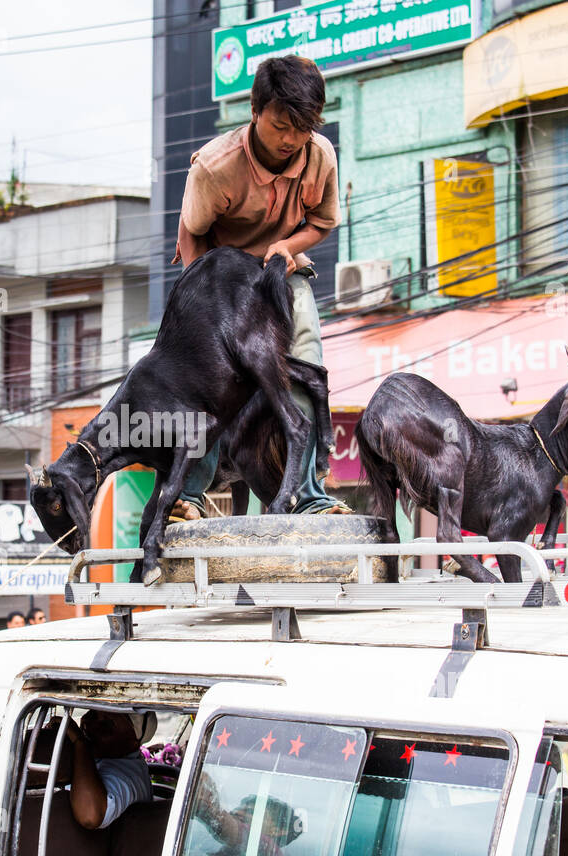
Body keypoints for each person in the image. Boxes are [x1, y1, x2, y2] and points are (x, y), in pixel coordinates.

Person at [170, 54, 350, 521]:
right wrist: (202, 305)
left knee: (308, 368)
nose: (291, 139)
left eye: (303, 126)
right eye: (280, 125)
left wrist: (288, 246)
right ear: (255, 112)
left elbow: (322, 223)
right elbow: (191, 230)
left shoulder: (321, 157)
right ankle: (186, 497)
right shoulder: (215, 168)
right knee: (210, 378)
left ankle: (310, 498)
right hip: (218, 280)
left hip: (282, 273)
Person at [59, 710, 153, 830]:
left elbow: (89, 816)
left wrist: (79, 742)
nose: (90, 726)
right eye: (91, 715)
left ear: (133, 743)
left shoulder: (130, 776)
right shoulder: (105, 756)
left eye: (107, 725)